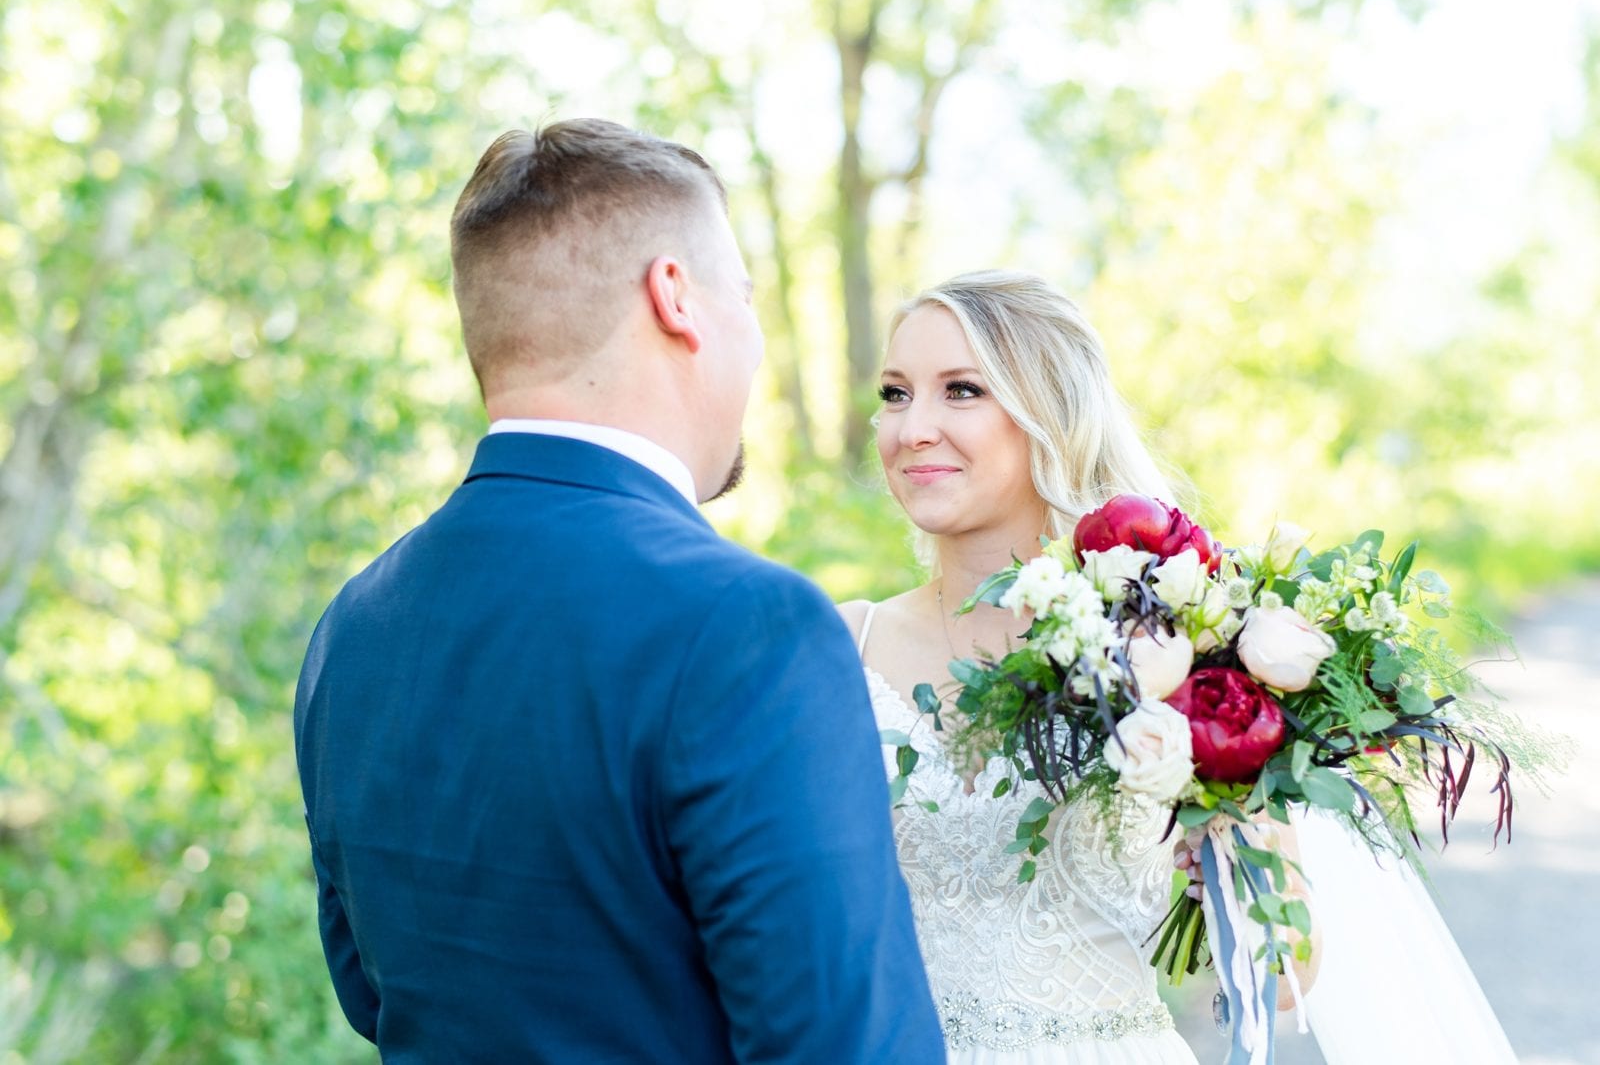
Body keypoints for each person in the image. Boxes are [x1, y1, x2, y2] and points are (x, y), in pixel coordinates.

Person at [293, 118, 944, 1064]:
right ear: (675, 297)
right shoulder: (748, 626)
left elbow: (367, 991)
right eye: (747, 299)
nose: (757, 345)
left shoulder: (352, 628)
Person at [838, 270, 1318, 1062]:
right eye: (895, 393)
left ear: (1049, 412)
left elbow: (1291, 973)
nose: (911, 428)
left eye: (961, 390)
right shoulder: (841, 645)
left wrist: (1235, 880)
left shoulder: (1176, 647)